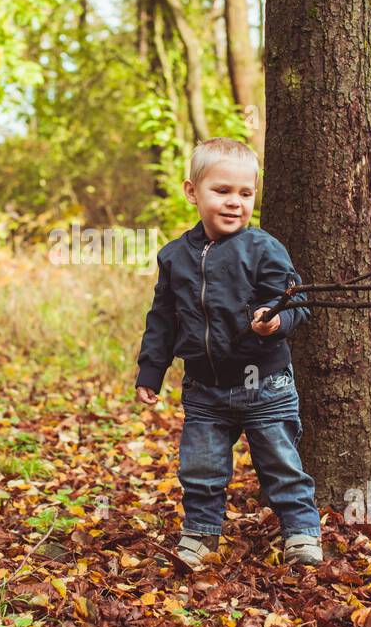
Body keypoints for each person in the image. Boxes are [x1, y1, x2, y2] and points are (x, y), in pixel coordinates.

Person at [134, 137, 323, 570]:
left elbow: (295, 302)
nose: (235, 202)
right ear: (192, 191)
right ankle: (200, 536)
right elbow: (162, 318)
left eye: (245, 193)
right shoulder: (174, 256)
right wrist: (151, 371)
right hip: (205, 389)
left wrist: (276, 321)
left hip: (266, 384)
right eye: (222, 191)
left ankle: (301, 532)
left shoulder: (263, 248)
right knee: (200, 469)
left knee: (280, 464)